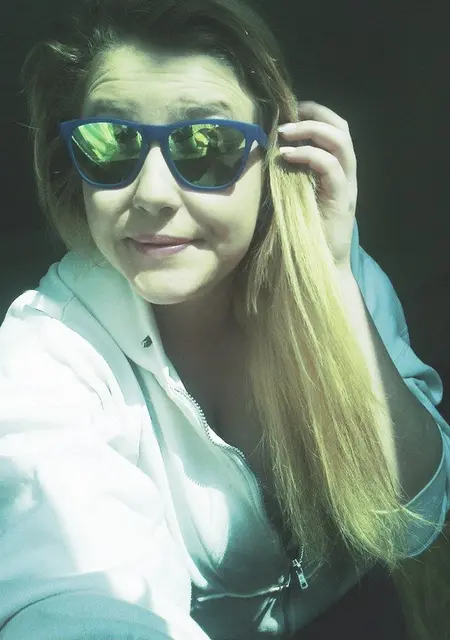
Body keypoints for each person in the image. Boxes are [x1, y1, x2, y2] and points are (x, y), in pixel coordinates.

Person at [0, 0, 449, 638]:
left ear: (276, 156)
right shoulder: (47, 348)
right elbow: (69, 588)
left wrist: (333, 285)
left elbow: (418, 511)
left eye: (206, 144)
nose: (152, 194)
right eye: (109, 142)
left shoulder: (338, 268)